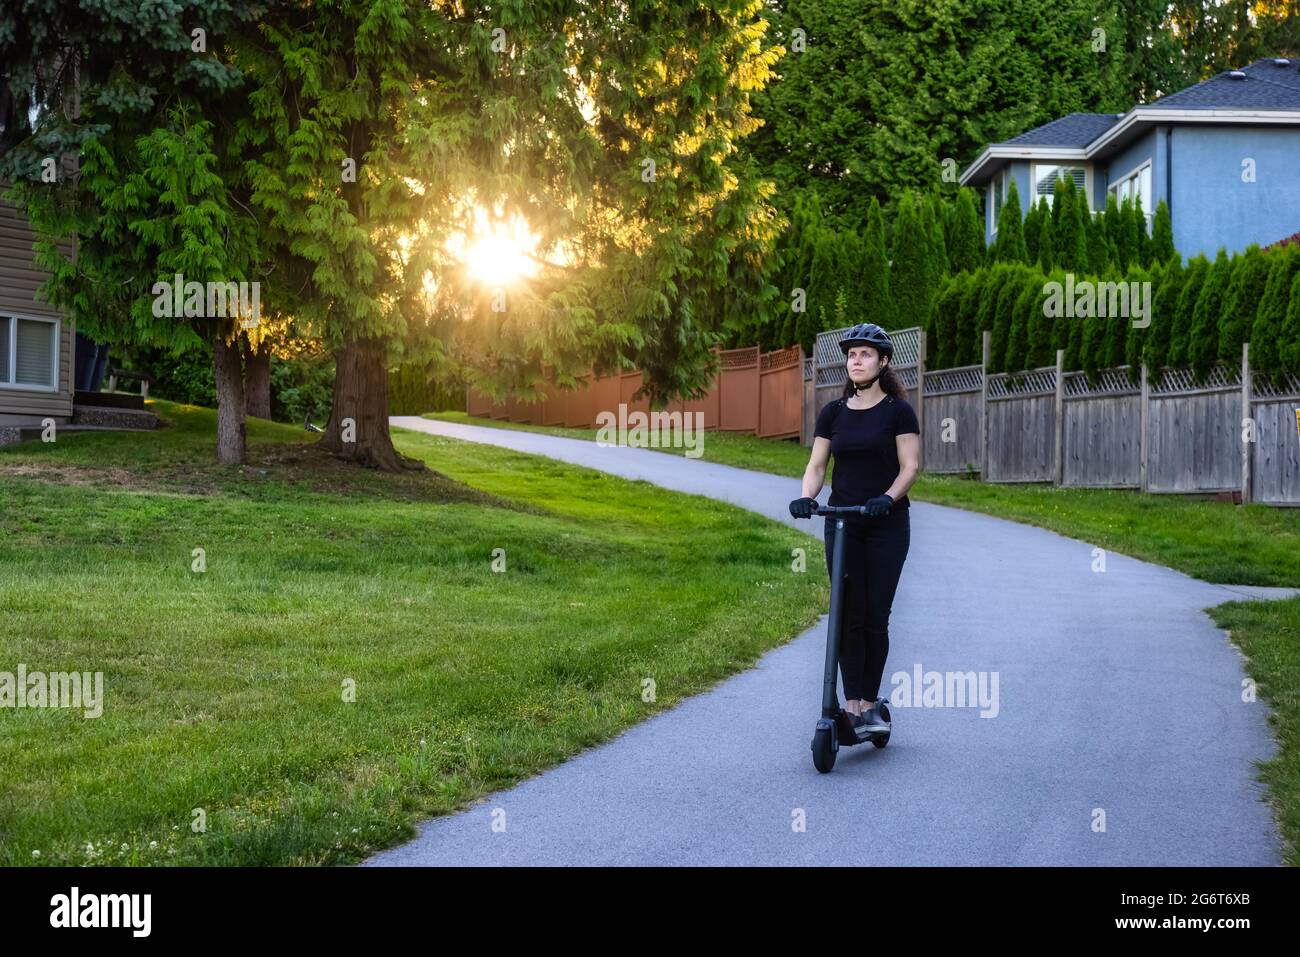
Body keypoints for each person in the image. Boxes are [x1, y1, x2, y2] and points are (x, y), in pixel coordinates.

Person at [789, 323, 921, 738]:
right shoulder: (833, 413)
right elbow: (816, 465)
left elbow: (911, 465)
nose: (857, 361)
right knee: (847, 612)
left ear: (883, 362)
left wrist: (889, 497)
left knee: (874, 615)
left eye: (865, 354)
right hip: (843, 523)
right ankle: (852, 707)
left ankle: (869, 701)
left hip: (886, 525)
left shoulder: (899, 411)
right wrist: (808, 497)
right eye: (852, 355)